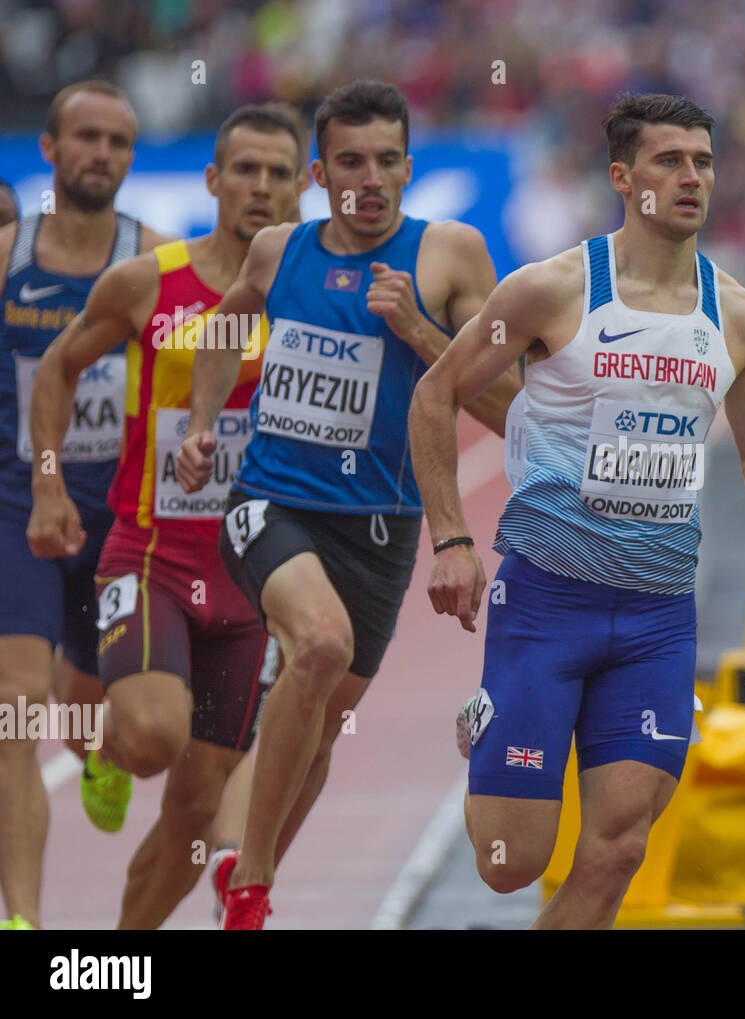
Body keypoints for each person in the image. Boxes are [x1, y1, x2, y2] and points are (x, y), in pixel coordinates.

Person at [411, 92, 745, 930]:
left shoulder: (740, 317)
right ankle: (492, 717)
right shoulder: (551, 291)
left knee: (620, 846)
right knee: (506, 862)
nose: (692, 177)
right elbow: (435, 391)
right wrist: (451, 536)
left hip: (660, 617)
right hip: (546, 602)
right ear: (623, 178)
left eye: (703, 161)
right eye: (670, 161)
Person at [176, 80, 519, 929]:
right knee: (318, 645)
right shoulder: (278, 251)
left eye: (387, 161)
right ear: (321, 174)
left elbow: (507, 406)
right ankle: (250, 885)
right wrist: (199, 426)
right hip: (269, 503)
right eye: (351, 163)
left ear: (409, 166)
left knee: (323, 728)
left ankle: (247, 875)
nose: (370, 179)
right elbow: (224, 327)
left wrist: (418, 332)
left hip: (382, 527)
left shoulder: (450, 256)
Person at [27, 105, 308, 929]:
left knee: (196, 807)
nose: (261, 187)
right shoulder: (150, 280)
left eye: (279, 173)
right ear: (213, 181)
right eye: (245, 170)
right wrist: (49, 485)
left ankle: (124, 952)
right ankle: (109, 747)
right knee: (152, 736)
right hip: (151, 553)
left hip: (253, 574)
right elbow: (57, 367)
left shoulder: (322, 295)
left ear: (302, 188)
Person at [0, 81, 170, 931]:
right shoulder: (6, 257)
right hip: (19, 506)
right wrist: (41, 479)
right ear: (50, 149)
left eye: (119, 142)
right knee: (14, 709)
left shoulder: (156, 261)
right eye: (87, 137)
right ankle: (23, 919)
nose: (102, 153)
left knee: (88, 704)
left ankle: (99, 750)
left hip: (123, 517)